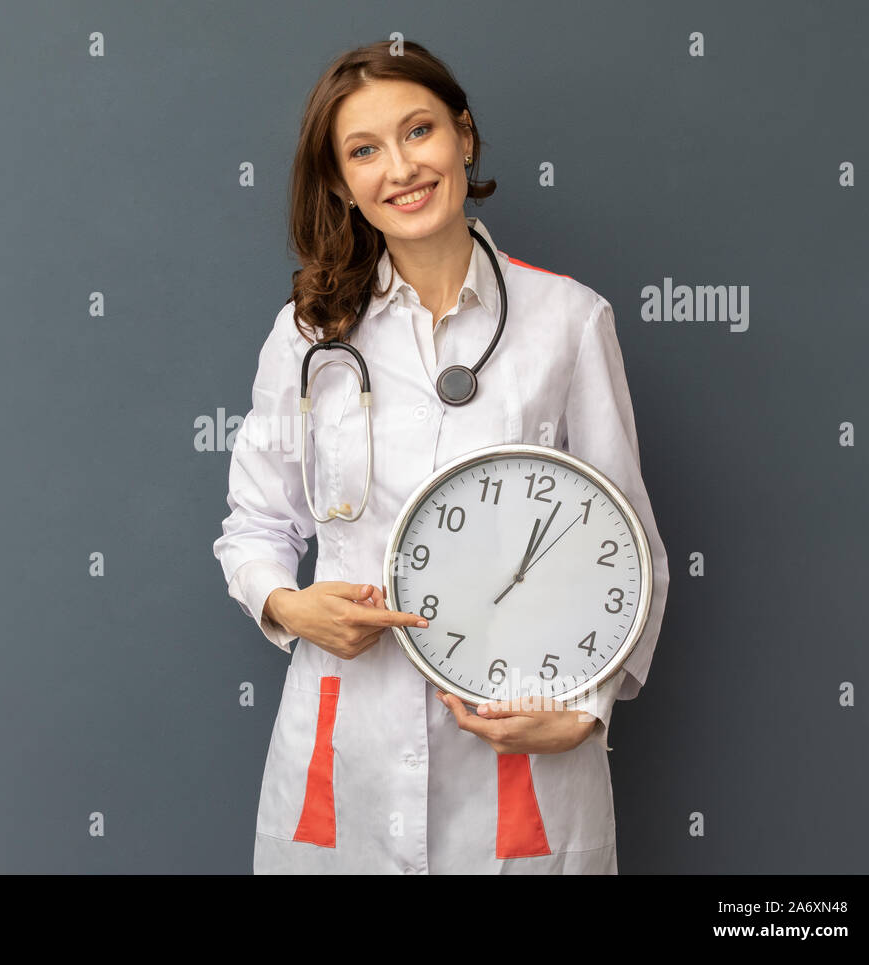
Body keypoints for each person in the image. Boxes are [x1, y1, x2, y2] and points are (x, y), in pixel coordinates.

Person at [212, 40, 669, 874]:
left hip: (517, 733)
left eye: (418, 130)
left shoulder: (567, 319)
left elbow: (631, 545)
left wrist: (587, 710)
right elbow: (253, 523)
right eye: (364, 151)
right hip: (347, 745)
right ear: (342, 183)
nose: (400, 168)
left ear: (464, 135)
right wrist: (288, 604)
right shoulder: (309, 335)